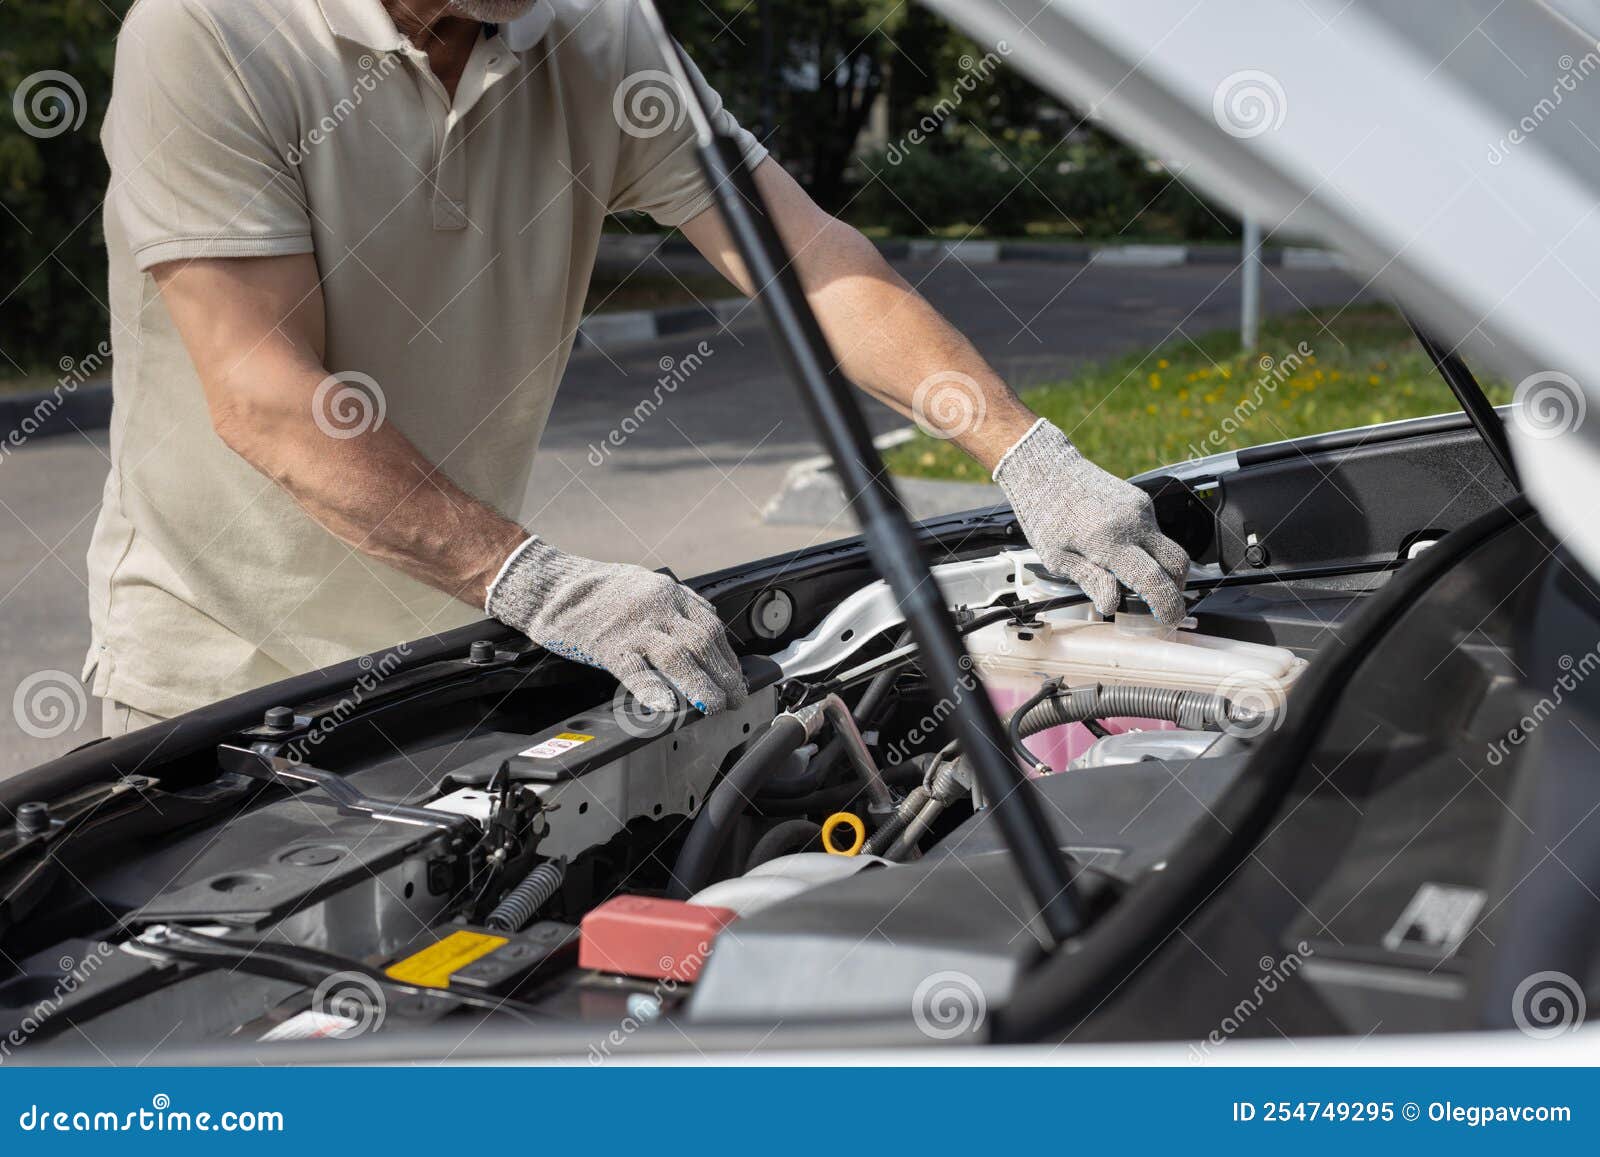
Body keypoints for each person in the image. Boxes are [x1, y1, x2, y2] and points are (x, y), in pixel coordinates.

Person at [88, 0, 1188, 735]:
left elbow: (805, 257)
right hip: (222, 688)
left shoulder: (600, 32)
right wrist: (540, 582)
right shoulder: (209, 33)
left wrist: (1025, 453)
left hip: (458, 659)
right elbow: (266, 393)